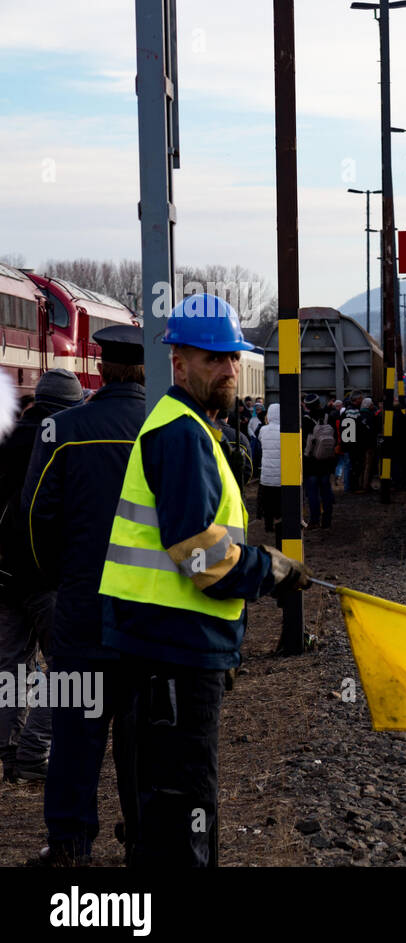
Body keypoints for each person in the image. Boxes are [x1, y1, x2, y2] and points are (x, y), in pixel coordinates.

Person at [99, 293, 311, 868]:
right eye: (212, 358)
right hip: (169, 655)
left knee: (173, 808)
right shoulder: (181, 434)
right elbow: (199, 558)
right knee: (179, 813)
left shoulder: (195, 429)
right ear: (179, 362)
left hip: (172, 651)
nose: (227, 369)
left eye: (231, 358)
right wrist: (271, 569)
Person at [22, 326, 146, 864]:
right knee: (146, 740)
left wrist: (60, 577)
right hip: (150, 619)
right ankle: (145, 837)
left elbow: (34, 519)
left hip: (81, 611)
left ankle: (71, 843)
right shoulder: (170, 431)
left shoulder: (62, 430)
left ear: (103, 366)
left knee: (75, 735)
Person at [0, 369, 83, 783]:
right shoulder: (66, 440)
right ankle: (34, 751)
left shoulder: (7, 436)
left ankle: (7, 754)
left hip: (5, 577)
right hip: (49, 578)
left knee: (12, 667)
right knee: (69, 665)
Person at [302, 396, 336, 529]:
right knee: (326, 492)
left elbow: (304, 442)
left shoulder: (305, 420)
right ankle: (327, 520)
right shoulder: (329, 417)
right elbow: (336, 437)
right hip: (326, 462)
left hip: (311, 463)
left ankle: (315, 520)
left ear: (307, 406)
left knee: (312, 494)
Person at [258, 403, 283, 544]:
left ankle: (268, 525)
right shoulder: (284, 430)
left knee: (267, 501)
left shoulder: (263, 430)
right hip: (280, 472)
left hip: (267, 472)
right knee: (280, 500)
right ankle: (280, 521)